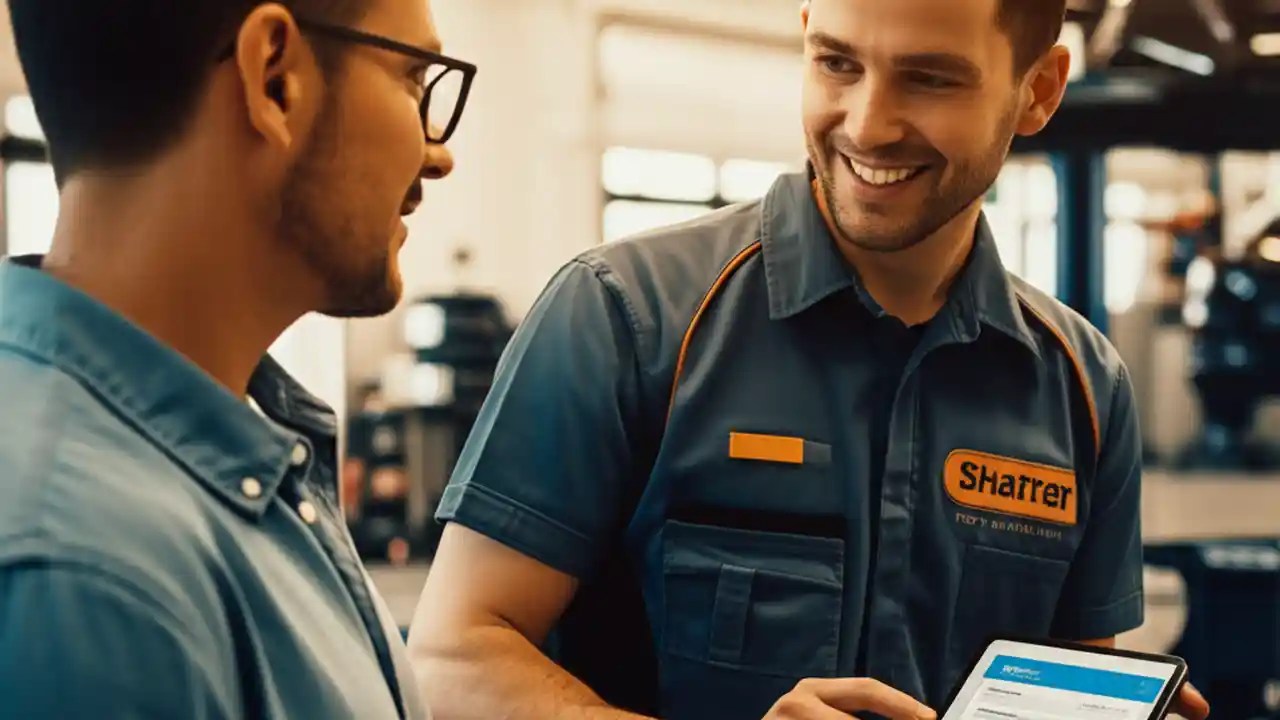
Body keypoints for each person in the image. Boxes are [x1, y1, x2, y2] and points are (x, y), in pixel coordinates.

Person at [409, 1, 1212, 719]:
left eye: (929, 79)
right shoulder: (623, 317)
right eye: (837, 63)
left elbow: (1073, 684)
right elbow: (452, 658)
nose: (867, 125)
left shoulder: (1083, 387)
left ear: (1038, 90)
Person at [0, 0, 470, 717]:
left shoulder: (230, 464)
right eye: (413, 79)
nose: (439, 154)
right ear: (274, 78)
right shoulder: (92, 579)